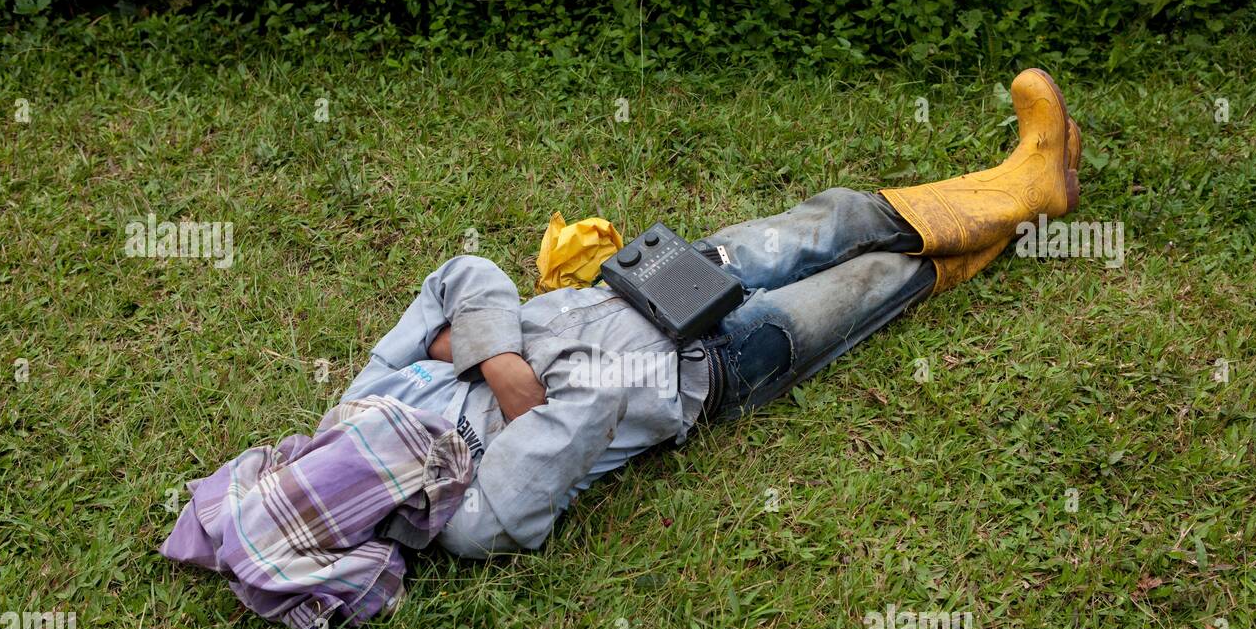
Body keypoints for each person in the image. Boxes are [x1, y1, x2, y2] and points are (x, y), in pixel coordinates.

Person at [342, 68, 1082, 560]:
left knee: (832, 219)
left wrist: (502, 364)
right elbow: (595, 396)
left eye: (316, 464)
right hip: (718, 363)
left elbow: (464, 274)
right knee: (875, 280)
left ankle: (1027, 180)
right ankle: (1030, 192)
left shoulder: (366, 404)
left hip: (656, 284)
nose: (346, 462)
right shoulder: (470, 522)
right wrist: (483, 350)